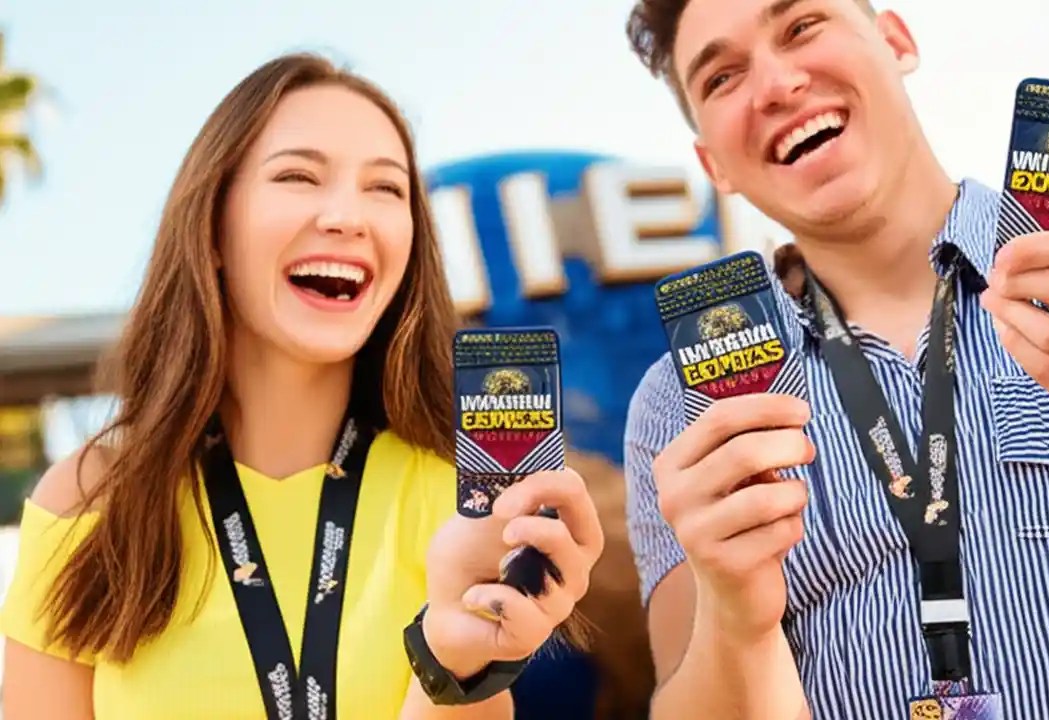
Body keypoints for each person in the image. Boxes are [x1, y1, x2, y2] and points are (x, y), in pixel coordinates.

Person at [620, 1, 1049, 719]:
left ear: (896, 41)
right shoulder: (688, 405)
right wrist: (734, 618)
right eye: (721, 77)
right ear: (714, 163)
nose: (776, 84)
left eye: (802, 26)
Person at [0, 53, 604, 720]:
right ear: (213, 226)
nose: (348, 215)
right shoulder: (92, 499)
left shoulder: (466, 507)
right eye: (297, 175)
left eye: (385, 188)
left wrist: (453, 660)